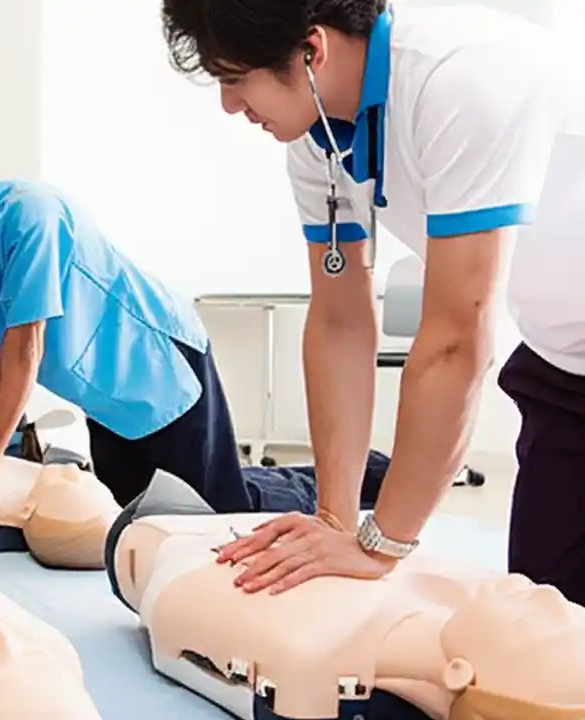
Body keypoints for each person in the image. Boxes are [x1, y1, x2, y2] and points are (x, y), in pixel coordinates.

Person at [164, 0, 585, 602]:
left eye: (234, 78)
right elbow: (340, 321)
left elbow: (456, 339)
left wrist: (382, 544)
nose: (230, 104)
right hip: (562, 365)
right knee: (547, 626)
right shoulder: (318, 142)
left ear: (312, 52)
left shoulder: (459, 79)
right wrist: (335, 523)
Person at [0, 160, 289, 511]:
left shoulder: (28, 215)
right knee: (131, 517)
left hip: (158, 365)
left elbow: (25, 345)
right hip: (100, 395)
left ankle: (333, 478)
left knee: (220, 512)